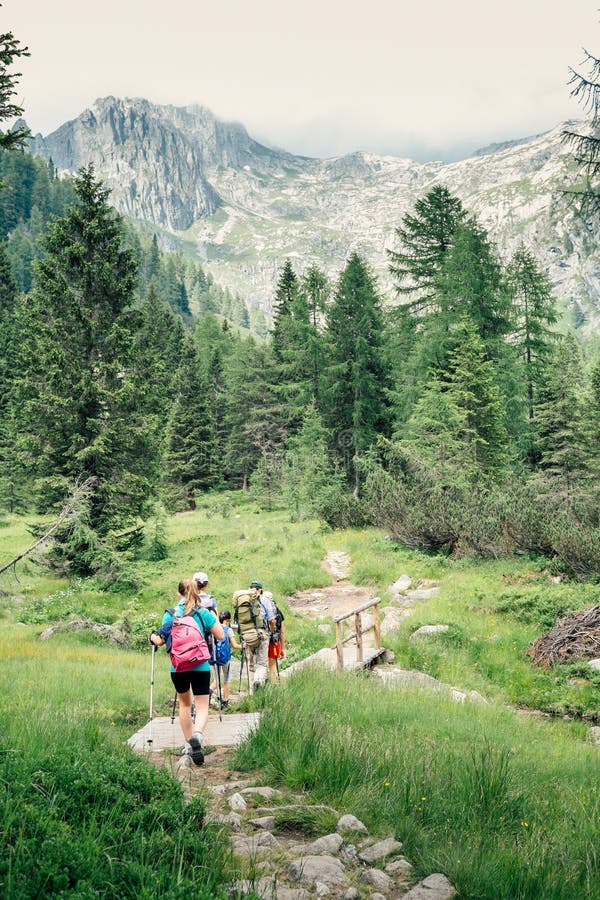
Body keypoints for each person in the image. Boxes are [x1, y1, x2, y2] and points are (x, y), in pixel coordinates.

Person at [150, 579, 224, 766]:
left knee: (184, 705)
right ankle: (197, 735)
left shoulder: (171, 615)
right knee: (202, 706)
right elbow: (221, 635)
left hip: (178, 667)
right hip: (200, 665)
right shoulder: (202, 613)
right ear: (197, 592)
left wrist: (152, 637)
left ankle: (187, 744)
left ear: (179, 594)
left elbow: (160, 641)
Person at [217, 609, 242, 708]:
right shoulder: (229, 630)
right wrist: (243, 646)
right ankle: (225, 700)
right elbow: (235, 645)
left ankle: (210, 691)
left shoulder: (215, 628)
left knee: (216, 679)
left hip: (215, 657)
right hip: (225, 657)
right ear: (228, 620)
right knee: (226, 678)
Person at [262, 590, 286, 683]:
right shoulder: (278, 612)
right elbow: (282, 631)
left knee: (268, 665)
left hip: (266, 640)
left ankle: (271, 686)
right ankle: (274, 684)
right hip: (276, 642)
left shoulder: (263, 610)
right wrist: (283, 648)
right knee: (273, 665)